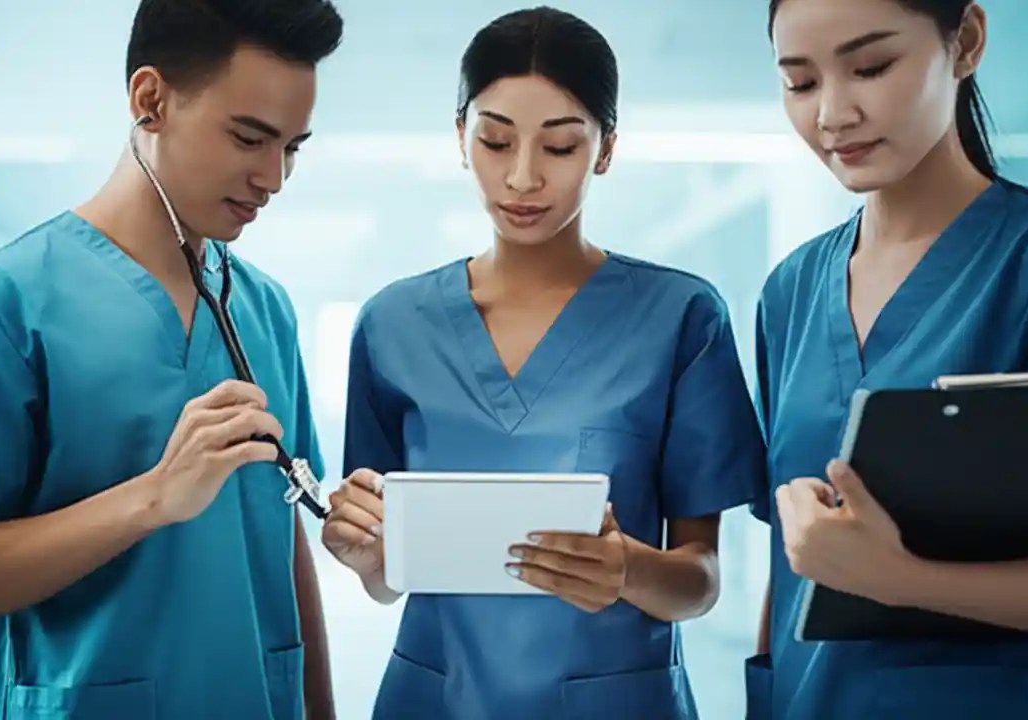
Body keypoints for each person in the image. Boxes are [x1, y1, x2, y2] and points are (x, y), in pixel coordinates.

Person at [0, 2, 344, 719]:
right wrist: (151, 498)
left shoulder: (264, 310)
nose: (273, 177)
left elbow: (284, 545)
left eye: (293, 148)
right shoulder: (5, 303)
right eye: (249, 138)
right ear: (150, 100)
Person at [320, 7, 767, 719]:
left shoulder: (681, 318)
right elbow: (386, 578)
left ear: (607, 148)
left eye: (559, 147)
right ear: (459, 138)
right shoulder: (391, 326)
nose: (522, 178)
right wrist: (372, 560)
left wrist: (627, 570)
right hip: (435, 698)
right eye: (495, 141)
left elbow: (701, 579)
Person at [749, 0, 1028, 718]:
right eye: (801, 83)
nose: (833, 115)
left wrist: (902, 578)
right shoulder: (791, 291)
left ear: (964, 42)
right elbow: (793, 565)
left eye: (870, 67)